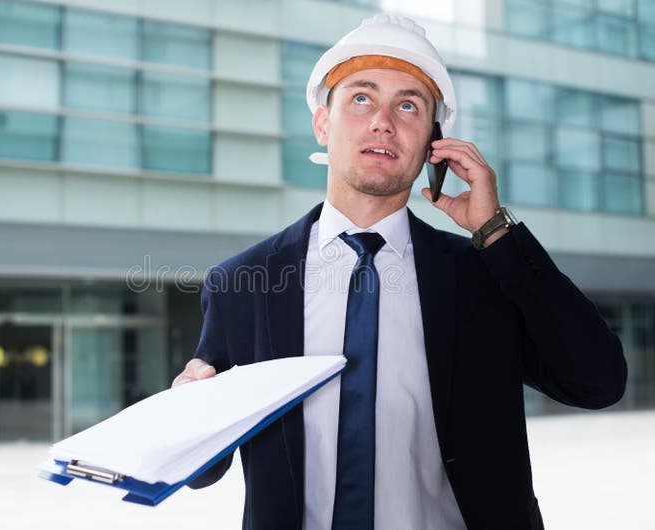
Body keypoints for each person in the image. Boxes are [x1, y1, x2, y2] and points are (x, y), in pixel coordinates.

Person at [171, 14, 627, 530]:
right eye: (361, 98)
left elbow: (599, 382)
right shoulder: (242, 283)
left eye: (408, 105)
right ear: (323, 122)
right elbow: (202, 473)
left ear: (434, 143)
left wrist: (496, 234)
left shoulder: (485, 277)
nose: (382, 121)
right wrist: (191, 417)